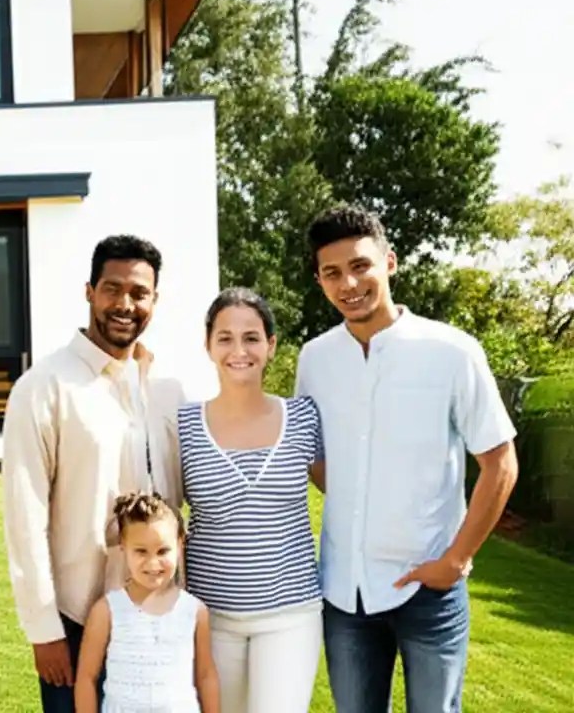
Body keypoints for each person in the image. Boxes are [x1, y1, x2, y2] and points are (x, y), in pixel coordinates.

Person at [295, 205, 519, 713]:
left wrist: (456, 559)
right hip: (343, 591)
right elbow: (315, 453)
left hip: (430, 592)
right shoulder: (314, 359)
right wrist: (363, 496)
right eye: (332, 273)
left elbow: (500, 461)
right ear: (320, 281)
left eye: (360, 266)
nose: (348, 283)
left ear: (389, 263)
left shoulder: (452, 351)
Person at [2, 234, 187, 713]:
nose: (125, 305)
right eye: (112, 289)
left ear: (155, 300)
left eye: (139, 293)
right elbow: (25, 519)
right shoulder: (43, 388)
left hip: (157, 618)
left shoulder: (167, 392)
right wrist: (44, 631)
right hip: (76, 621)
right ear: (89, 291)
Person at [176, 287, 325, 713]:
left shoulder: (303, 417)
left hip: (290, 615)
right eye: (224, 338)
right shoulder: (184, 423)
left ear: (271, 345)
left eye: (251, 337)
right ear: (208, 346)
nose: (238, 350)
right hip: (211, 618)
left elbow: (346, 487)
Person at [74, 490, 220, 713]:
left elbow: (206, 675)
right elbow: (86, 677)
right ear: (123, 545)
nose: (153, 564)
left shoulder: (194, 611)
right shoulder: (107, 611)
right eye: (141, 551)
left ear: (180, 544)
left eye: (163, 551)